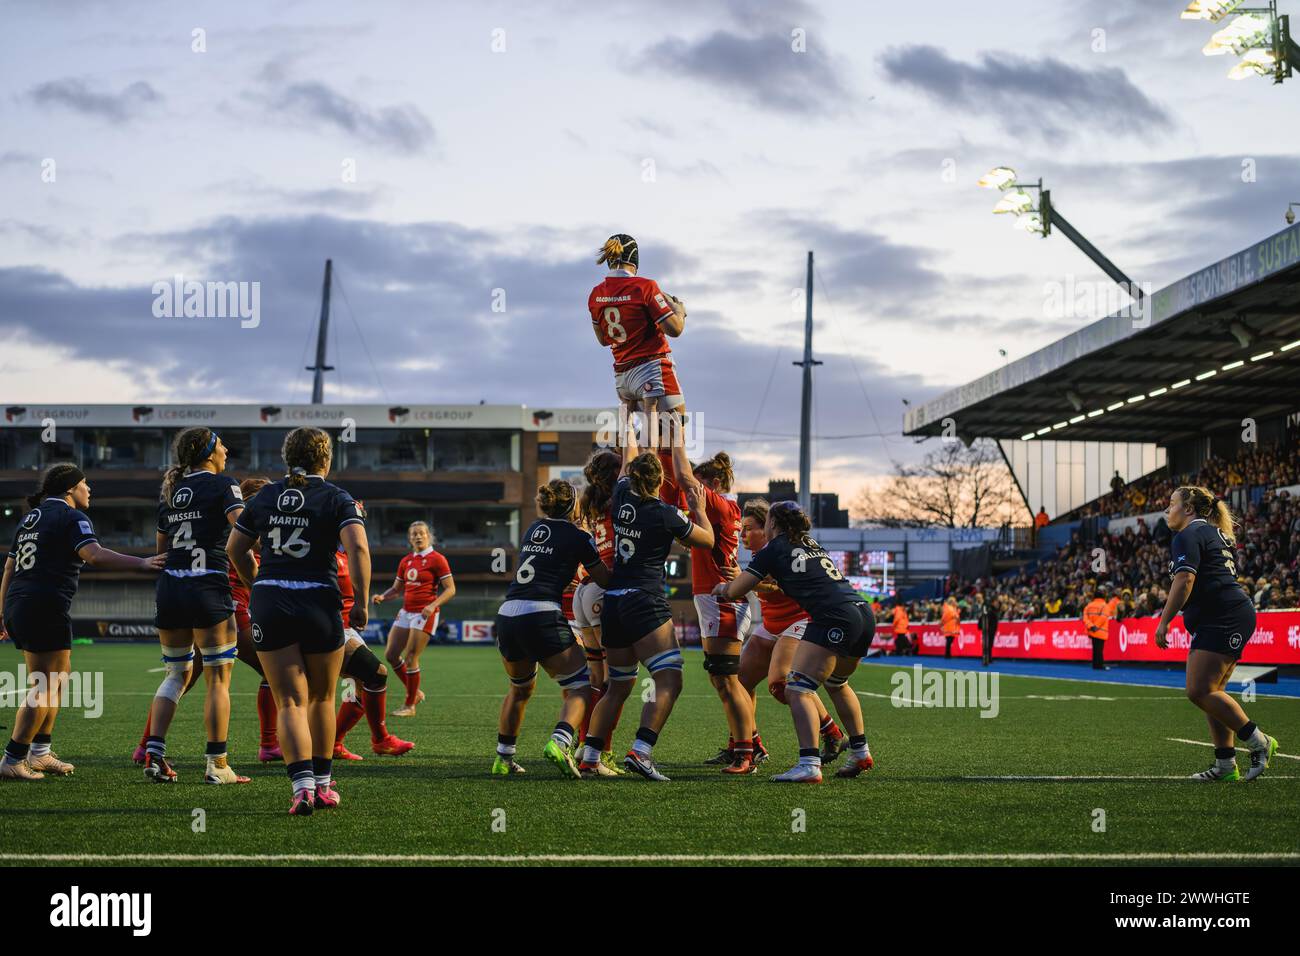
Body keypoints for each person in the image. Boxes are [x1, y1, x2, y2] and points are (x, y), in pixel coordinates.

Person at [226, 427, 370, 816]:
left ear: (288, 458)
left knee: (288, 699)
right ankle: (323, 786)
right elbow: (356, 546)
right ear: (326, 459)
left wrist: (256, 583)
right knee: (322, 697)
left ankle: (301, 789)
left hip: (271, 600)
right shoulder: (337, 497)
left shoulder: (267, 494)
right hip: (319, 600)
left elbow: (235, 548)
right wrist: (362, 601)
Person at [1, 464, 165, 781]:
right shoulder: (72, 516)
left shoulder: (29, 519)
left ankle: (39, 752)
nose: (89, 489)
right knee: (47, 685)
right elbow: (95, 555)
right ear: (70, 488)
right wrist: (142, 562)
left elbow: (9, 569)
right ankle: (13, 757)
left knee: (54, 681)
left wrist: (1, 613)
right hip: (44, 605)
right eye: (85, 483)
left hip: (21, 604)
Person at [577, 408, 714, 781]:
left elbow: (632, 452)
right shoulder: (664, 512)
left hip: (614, 602)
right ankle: (641, 750)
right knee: (670, 678)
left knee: (617, 685)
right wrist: (699, 510)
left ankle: (590, 756)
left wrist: (631, 413)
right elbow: (707, 541)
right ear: (660, 481)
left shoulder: (620, 495)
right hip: (644, 600)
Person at [714, 500, 875, 783]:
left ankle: (809, 764)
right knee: (837, 684)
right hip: (862, 612)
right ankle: (860, 751)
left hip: (831, 617)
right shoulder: (810, 542)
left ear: (773, 524)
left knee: (797, 688)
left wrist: (723, 589)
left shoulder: (772, 550)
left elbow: (737, 589)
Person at [133, 475, 284, 765]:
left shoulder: (203, 514)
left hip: (192, 599)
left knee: (181, 677)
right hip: (225, 608)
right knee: (270, 672)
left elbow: (163, 546)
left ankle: (146, 747)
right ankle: (264, 746)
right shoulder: (245, 525)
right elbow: (246, 567)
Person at [142, 427, 251, 785]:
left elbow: (161, 552)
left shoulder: (170, 492)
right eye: (221, 446)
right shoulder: (224, 485)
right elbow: (244, 528)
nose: (225, 451)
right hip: (208, 587)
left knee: (176, 674)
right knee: (218, 679)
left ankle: (153, 753)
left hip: (171, 588)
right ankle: (217, 765)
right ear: (207, 453)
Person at [1156, 486, 1278, 782]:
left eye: (1171, 504)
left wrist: (1164, 621)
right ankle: (1225, 765)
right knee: (1212, 690)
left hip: (1223, 616)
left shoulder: (1186, 535)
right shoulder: (1212, 533)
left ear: (1188, 509)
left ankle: (1259, 741)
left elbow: (1184, 580)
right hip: (1228, 614)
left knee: (1199, 690)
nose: (1166, 510)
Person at [492, 479, 611, 777]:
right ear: (572, 505)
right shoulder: (579, 536)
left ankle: (503, 759)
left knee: (519, 690)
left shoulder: (533, 529)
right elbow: (605, 579)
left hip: (507, 613)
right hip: (542, 612)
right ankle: (560, 742)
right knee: (580, 686)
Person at [731, 498, 845, 767]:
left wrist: (742, 582)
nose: (743, 535)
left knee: (781, 684)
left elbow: (785, 588)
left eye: (749, 528)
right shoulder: (761, 555)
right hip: (772, 625)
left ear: (767, 528)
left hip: (799, 621)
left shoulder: (783, 549)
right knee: (739, 682)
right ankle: (747, 744)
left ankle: (831, 730)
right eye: (741, 529)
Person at [687, 451, 757, 775]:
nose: (692, 493)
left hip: (721, 601)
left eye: (700, 487)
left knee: (728, 681)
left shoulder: (718, 504)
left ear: (714, 484)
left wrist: (671, 431)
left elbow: (685, 479)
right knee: (722, 680)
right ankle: (747, 743)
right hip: (715, 599)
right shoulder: (720, 508)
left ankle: (747, 752)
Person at [332, 502, 414, 761]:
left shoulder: (344, 553)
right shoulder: (326, 551)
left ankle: (334, 744)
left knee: (357, 685)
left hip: (346, 628)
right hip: (331, 629)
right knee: (376, 674)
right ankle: (380, 740)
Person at [588, 234, 688, 444]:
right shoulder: (645, 287)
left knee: (649, 437)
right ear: (635, 259)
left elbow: (603, 340)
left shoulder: (596, 294)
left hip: (623, 377)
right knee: (675, 437)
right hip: (651, 369)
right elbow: (675, 329)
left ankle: (634, 472)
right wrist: (679, 311)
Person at [571, 449, 627, 775]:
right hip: (605, 588)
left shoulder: (590, 501)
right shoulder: (621, 501)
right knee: (616, 681)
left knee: (596, 679)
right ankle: (600, 751)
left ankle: (583, 744)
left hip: (584, 590)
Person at [373, 521, 455, 718]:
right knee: (391, 654)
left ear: (429, 536)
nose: (418, 536)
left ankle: (410, 705)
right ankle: (415, 692)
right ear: (409, 538)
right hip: (406, 611)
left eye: (422, 533)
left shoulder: (437, 559)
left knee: (410, 657)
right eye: (414, 534)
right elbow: (396, 589)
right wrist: (383, 596)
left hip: (424, 613)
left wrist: (433, 605)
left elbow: (451, 589)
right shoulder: (406, 561)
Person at [1082, 588, 1110, 671]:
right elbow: (1103, 617)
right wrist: (1096, 626)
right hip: (1101, 631)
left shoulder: (1089, 605)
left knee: (1095, 648)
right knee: (1099, 649)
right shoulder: (1105, 606)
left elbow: (1085, 617)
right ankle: (1099, 665)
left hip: (1092, 630)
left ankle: (1095, 664)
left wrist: (1091, 626)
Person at [978, 593, 999, 667]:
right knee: (987, 645)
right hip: (988, 630)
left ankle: (988, 658)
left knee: (989, 645)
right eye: (996, 602)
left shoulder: (992, 609)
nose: (997, 603)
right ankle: (986, 658)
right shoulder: (989, 610)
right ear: (993, 602)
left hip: (991, 629)